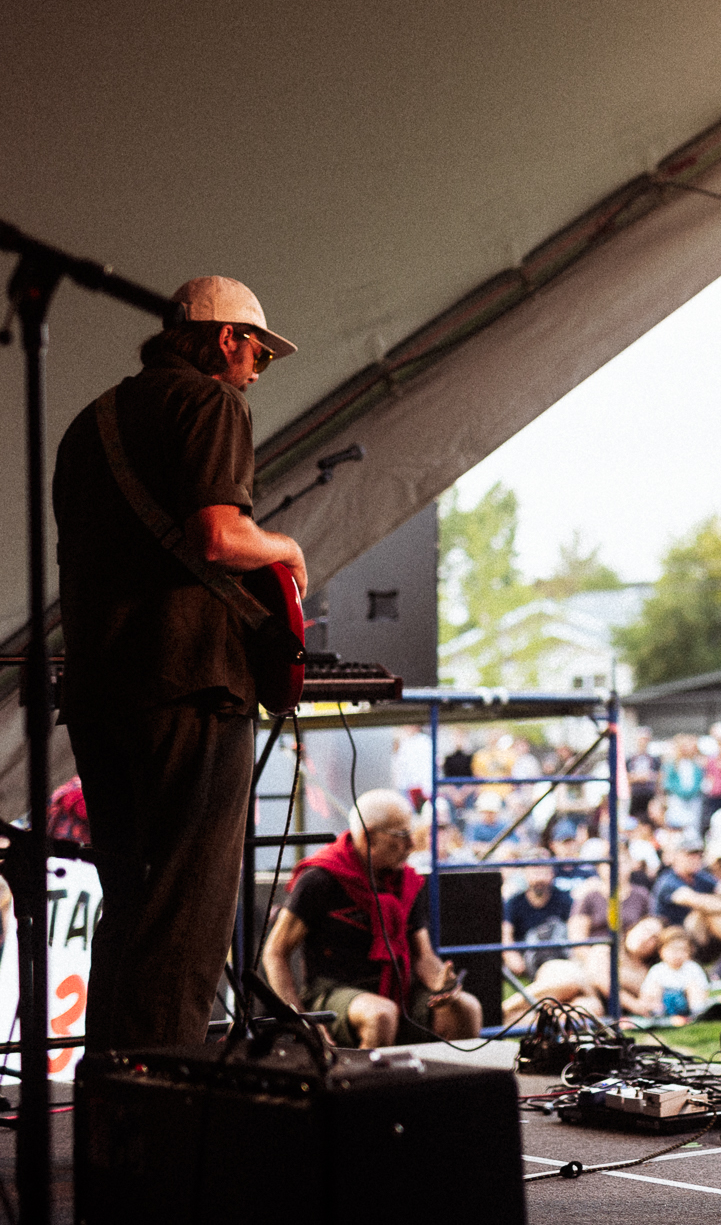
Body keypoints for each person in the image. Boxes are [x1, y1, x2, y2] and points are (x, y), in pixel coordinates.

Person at [54, 277, 306, 1053]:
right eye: (257, 349)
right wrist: (288, 547)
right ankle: (160, 1117)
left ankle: (114, 1113)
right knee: (186, 913)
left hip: (102, 690)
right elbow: (219, 538)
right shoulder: (210, 404)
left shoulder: (87, 424)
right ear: (225, 338)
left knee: (131, 904)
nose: (259, 369)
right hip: (188, 682)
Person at [263, 790, 482, 1047]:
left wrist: (443, 987)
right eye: (401, 835)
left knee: (467, 1009)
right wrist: (299, 1019)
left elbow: (423, 956)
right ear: (368, 836)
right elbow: (274, 953)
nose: (412, 844)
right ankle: (366, 1086)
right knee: (380, 1015)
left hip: (398, 991)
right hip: (332, 992)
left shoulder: (406, 883)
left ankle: (445, 1087)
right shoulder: (320, 879)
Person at [503, 864, 575, 975]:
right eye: (534, 873)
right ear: (525, 875)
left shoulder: (565, 899)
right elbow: (506, 937)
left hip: (560, 958)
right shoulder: (514, 902)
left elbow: (574, 934)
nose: (539, 879)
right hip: (529, 959)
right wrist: (514, 960)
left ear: (552, 874)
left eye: (544, 873)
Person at [639, 925, 711, 1020]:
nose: (677, 955)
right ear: (661, 951)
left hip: (686, 1003)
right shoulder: (657, 970)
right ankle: (657, 1015)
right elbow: (645, 993)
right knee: (654, 988)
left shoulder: (693, 968)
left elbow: (704, 991)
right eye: (672, 950)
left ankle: (697, 1013)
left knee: (694, 987)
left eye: (682, 950)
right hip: (664, 1003)